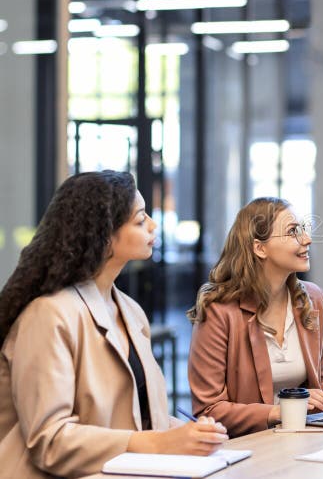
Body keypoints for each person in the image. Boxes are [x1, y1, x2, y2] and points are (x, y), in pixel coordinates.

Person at [0, 171, 228, 478]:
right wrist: (160, 442)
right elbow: (50, 441)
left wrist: (192, 433)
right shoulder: (49, 315)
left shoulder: (131, 311)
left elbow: (140, 420)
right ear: (104, 236)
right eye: (140, 219)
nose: (153, 225)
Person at [187, 197, 323, 438]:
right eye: (293, 232)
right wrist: (279, 411)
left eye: (303, 229)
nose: (307, 239)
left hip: (302, 443)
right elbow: (209, 409)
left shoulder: (313, 299)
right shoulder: (219, 311)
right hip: (244, 452)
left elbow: (321, 384)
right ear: (260, 248)